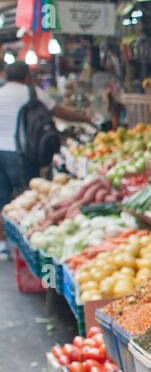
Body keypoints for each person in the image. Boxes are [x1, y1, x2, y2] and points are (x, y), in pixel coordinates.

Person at [0, 63, 93, 256]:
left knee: (3, 199)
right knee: (28, 197)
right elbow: (59, 111)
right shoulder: (31, 92)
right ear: (27, 76)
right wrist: (85, 119)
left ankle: (2, 245)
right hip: (20, 153)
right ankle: (25, 245)